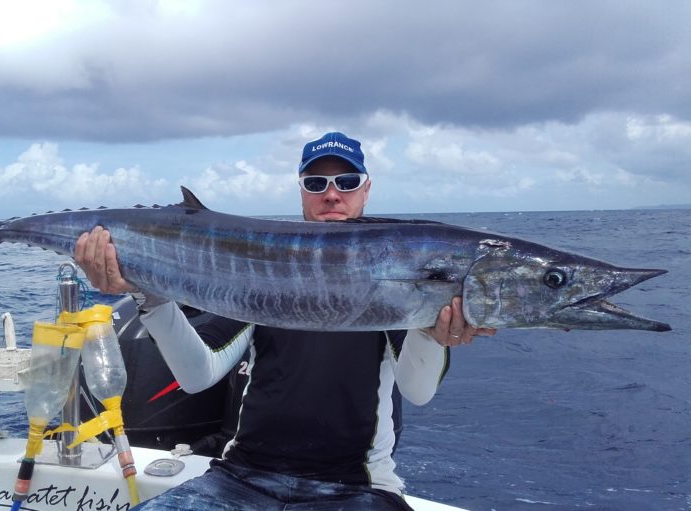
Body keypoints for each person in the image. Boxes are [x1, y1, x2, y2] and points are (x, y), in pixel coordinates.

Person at [75, 132, 496, 510]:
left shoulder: (395, 275)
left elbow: (416, 391)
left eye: (346, 182)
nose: (332, 194)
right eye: (316, 184)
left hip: (358, 488)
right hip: (242, 478)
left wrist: (431, 332)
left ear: (365, 191)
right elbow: (197, 375)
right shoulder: (265, 271)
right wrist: (151, 297)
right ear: (301, 193)